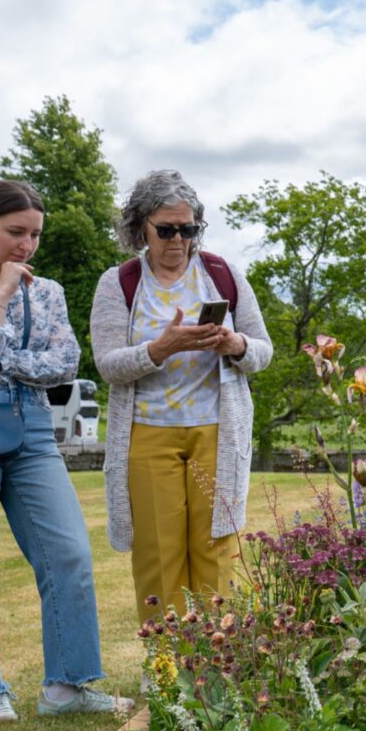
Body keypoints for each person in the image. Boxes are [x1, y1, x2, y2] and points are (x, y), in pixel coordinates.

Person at [0, 180, 132, 722]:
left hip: (30, 428)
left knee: (69, 552)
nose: (26, 246)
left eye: (35, 235)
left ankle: (66, 688)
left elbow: (65, 364)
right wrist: (1, 294)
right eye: (15, 232)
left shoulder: (47, 291)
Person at [90, 171, 271, 622]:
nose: (178, 239)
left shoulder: (222, 274)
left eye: (188, 229)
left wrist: (236, 345)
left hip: (216, 430)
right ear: (140, 227)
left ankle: (219, 662)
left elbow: (263, 350)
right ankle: (166, 667)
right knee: (158, 552)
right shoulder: (119, 283)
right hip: (148, 433)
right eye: (166, 229)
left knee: (215, 548)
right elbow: (108, 363)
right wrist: (159, 349)